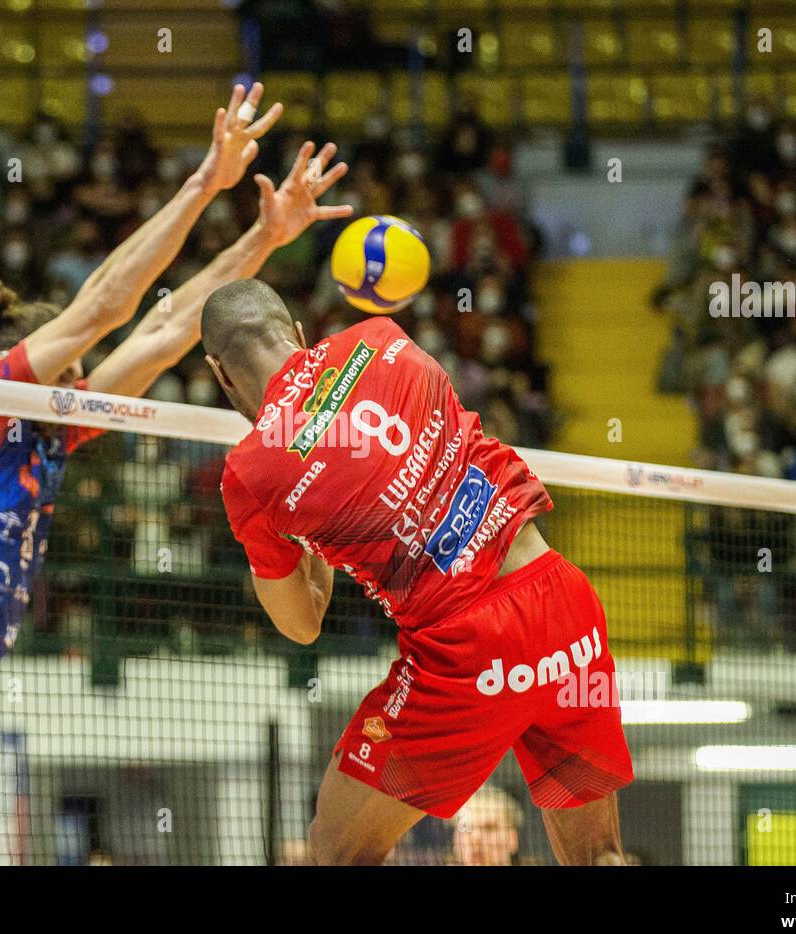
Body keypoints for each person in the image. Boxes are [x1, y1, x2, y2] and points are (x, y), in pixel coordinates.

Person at [0, 86, 353, 864]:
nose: (93, 387)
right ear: (38, 370)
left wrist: (263, 239)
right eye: (77, 374)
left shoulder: (47, 442)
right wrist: (206, 180)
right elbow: (109, 304)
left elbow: (170, 329)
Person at [201, 278, 633, 865]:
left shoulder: (251, 475)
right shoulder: (381, 336)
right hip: (565, 602)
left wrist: (306, 538)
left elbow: (302, 625)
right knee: (600, 855)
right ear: (298, 332)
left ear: (219, 373)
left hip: (470, 652)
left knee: (337, 849)